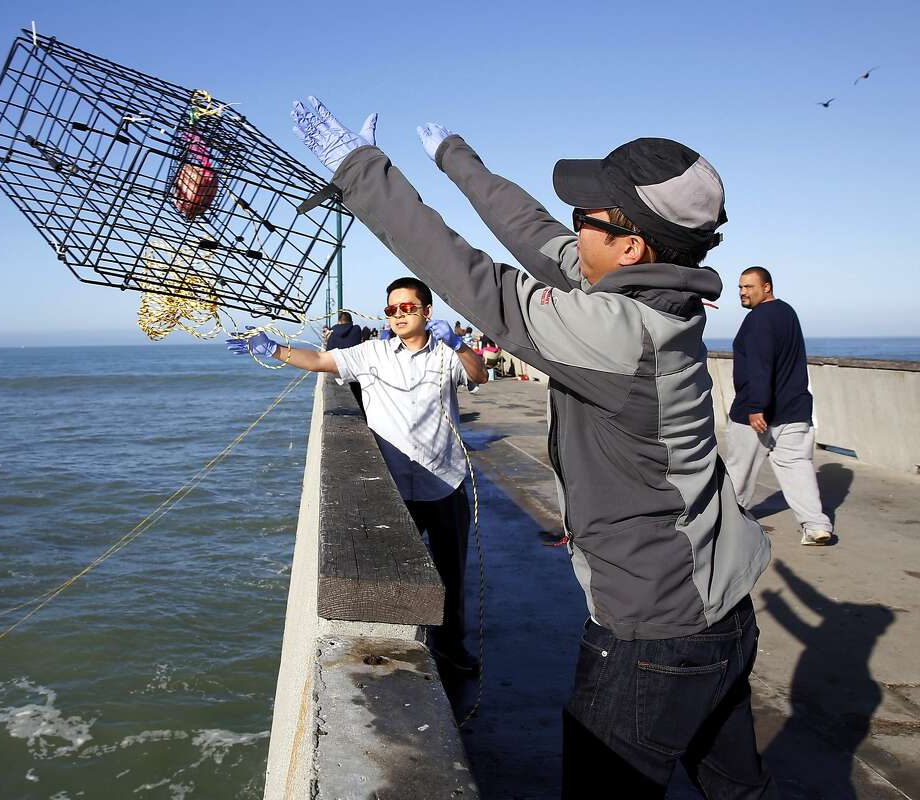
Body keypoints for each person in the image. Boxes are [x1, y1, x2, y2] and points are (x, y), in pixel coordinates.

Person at [292, 97, 774, 797]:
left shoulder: (620, 331)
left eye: (588, 219)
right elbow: (533, 233)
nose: (573, 229)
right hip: (723, 614)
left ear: (631, 245)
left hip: (654, 632)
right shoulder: (650, 295)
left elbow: (476, 281)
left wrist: (362, 173)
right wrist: (457, 158)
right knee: (739, 789)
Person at [228, 277, 489, 672]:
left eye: (406, 307)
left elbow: (479, 375)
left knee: (451, 577)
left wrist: (458, 343)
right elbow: (318, 362)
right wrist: (272, 349)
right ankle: (406, 648)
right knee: (394, 573)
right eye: (391, 309)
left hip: (445, 481)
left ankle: (453, 650)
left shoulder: (446, 355)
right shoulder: (372, 354)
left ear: (427, 312)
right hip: (393, 486)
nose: (398, 315)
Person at [727, 267, 833, 546]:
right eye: (740, 287)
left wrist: (756, 406)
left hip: (757, 413)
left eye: (749, 287)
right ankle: (816, 526)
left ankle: (727, 526)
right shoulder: (787, 313)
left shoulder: (759, 319)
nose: (743, 293)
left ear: (767, 287)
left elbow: (761, 365)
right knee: (797, 467)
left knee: (740, 471)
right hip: (795, 409)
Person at [327, 310, 369, 412]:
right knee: (361, 396)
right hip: (356, 367)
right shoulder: (356, 329)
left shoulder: (332, 333)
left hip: (338, 368)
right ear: (350, 321)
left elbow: (328, 351)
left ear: (339, 321)